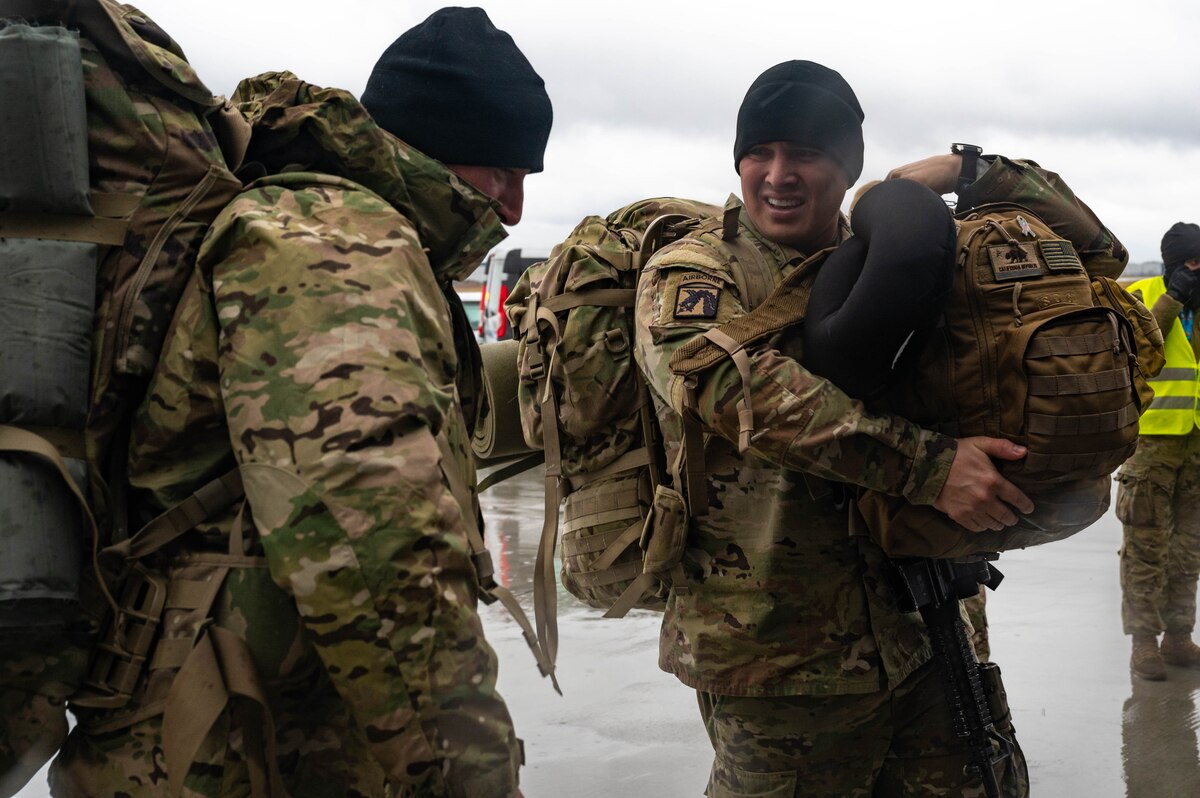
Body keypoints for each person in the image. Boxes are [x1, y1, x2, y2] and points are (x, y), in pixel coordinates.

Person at [48, 7, 551, 798]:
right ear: (439, 146)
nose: (514, 208)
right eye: (504, 173)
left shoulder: (305, 221)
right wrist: (474, 778)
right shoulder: (331, 238)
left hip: (229, 734)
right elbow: (374, 547)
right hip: (234, 751)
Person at [632, 60, 1033, 796]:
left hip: (928, 630)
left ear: (846, 166)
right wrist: (928, 467)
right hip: (780, 663)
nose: (778, 174)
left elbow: (1087, 252)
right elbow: (728, 386)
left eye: (805, 153)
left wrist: (974, 172)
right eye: (760, 152)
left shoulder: (902, 253)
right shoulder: (694, 272)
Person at [1118, 221, 1200, 681]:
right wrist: (1174, 298)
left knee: (1189, 550)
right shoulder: (1141, 295)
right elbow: (1136, 352)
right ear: (1178, 263)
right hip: (1150, 445)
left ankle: (1179, 637)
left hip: (1196, 443)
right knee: (1146, 548)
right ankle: (1144, 644)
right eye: (1194, 263)